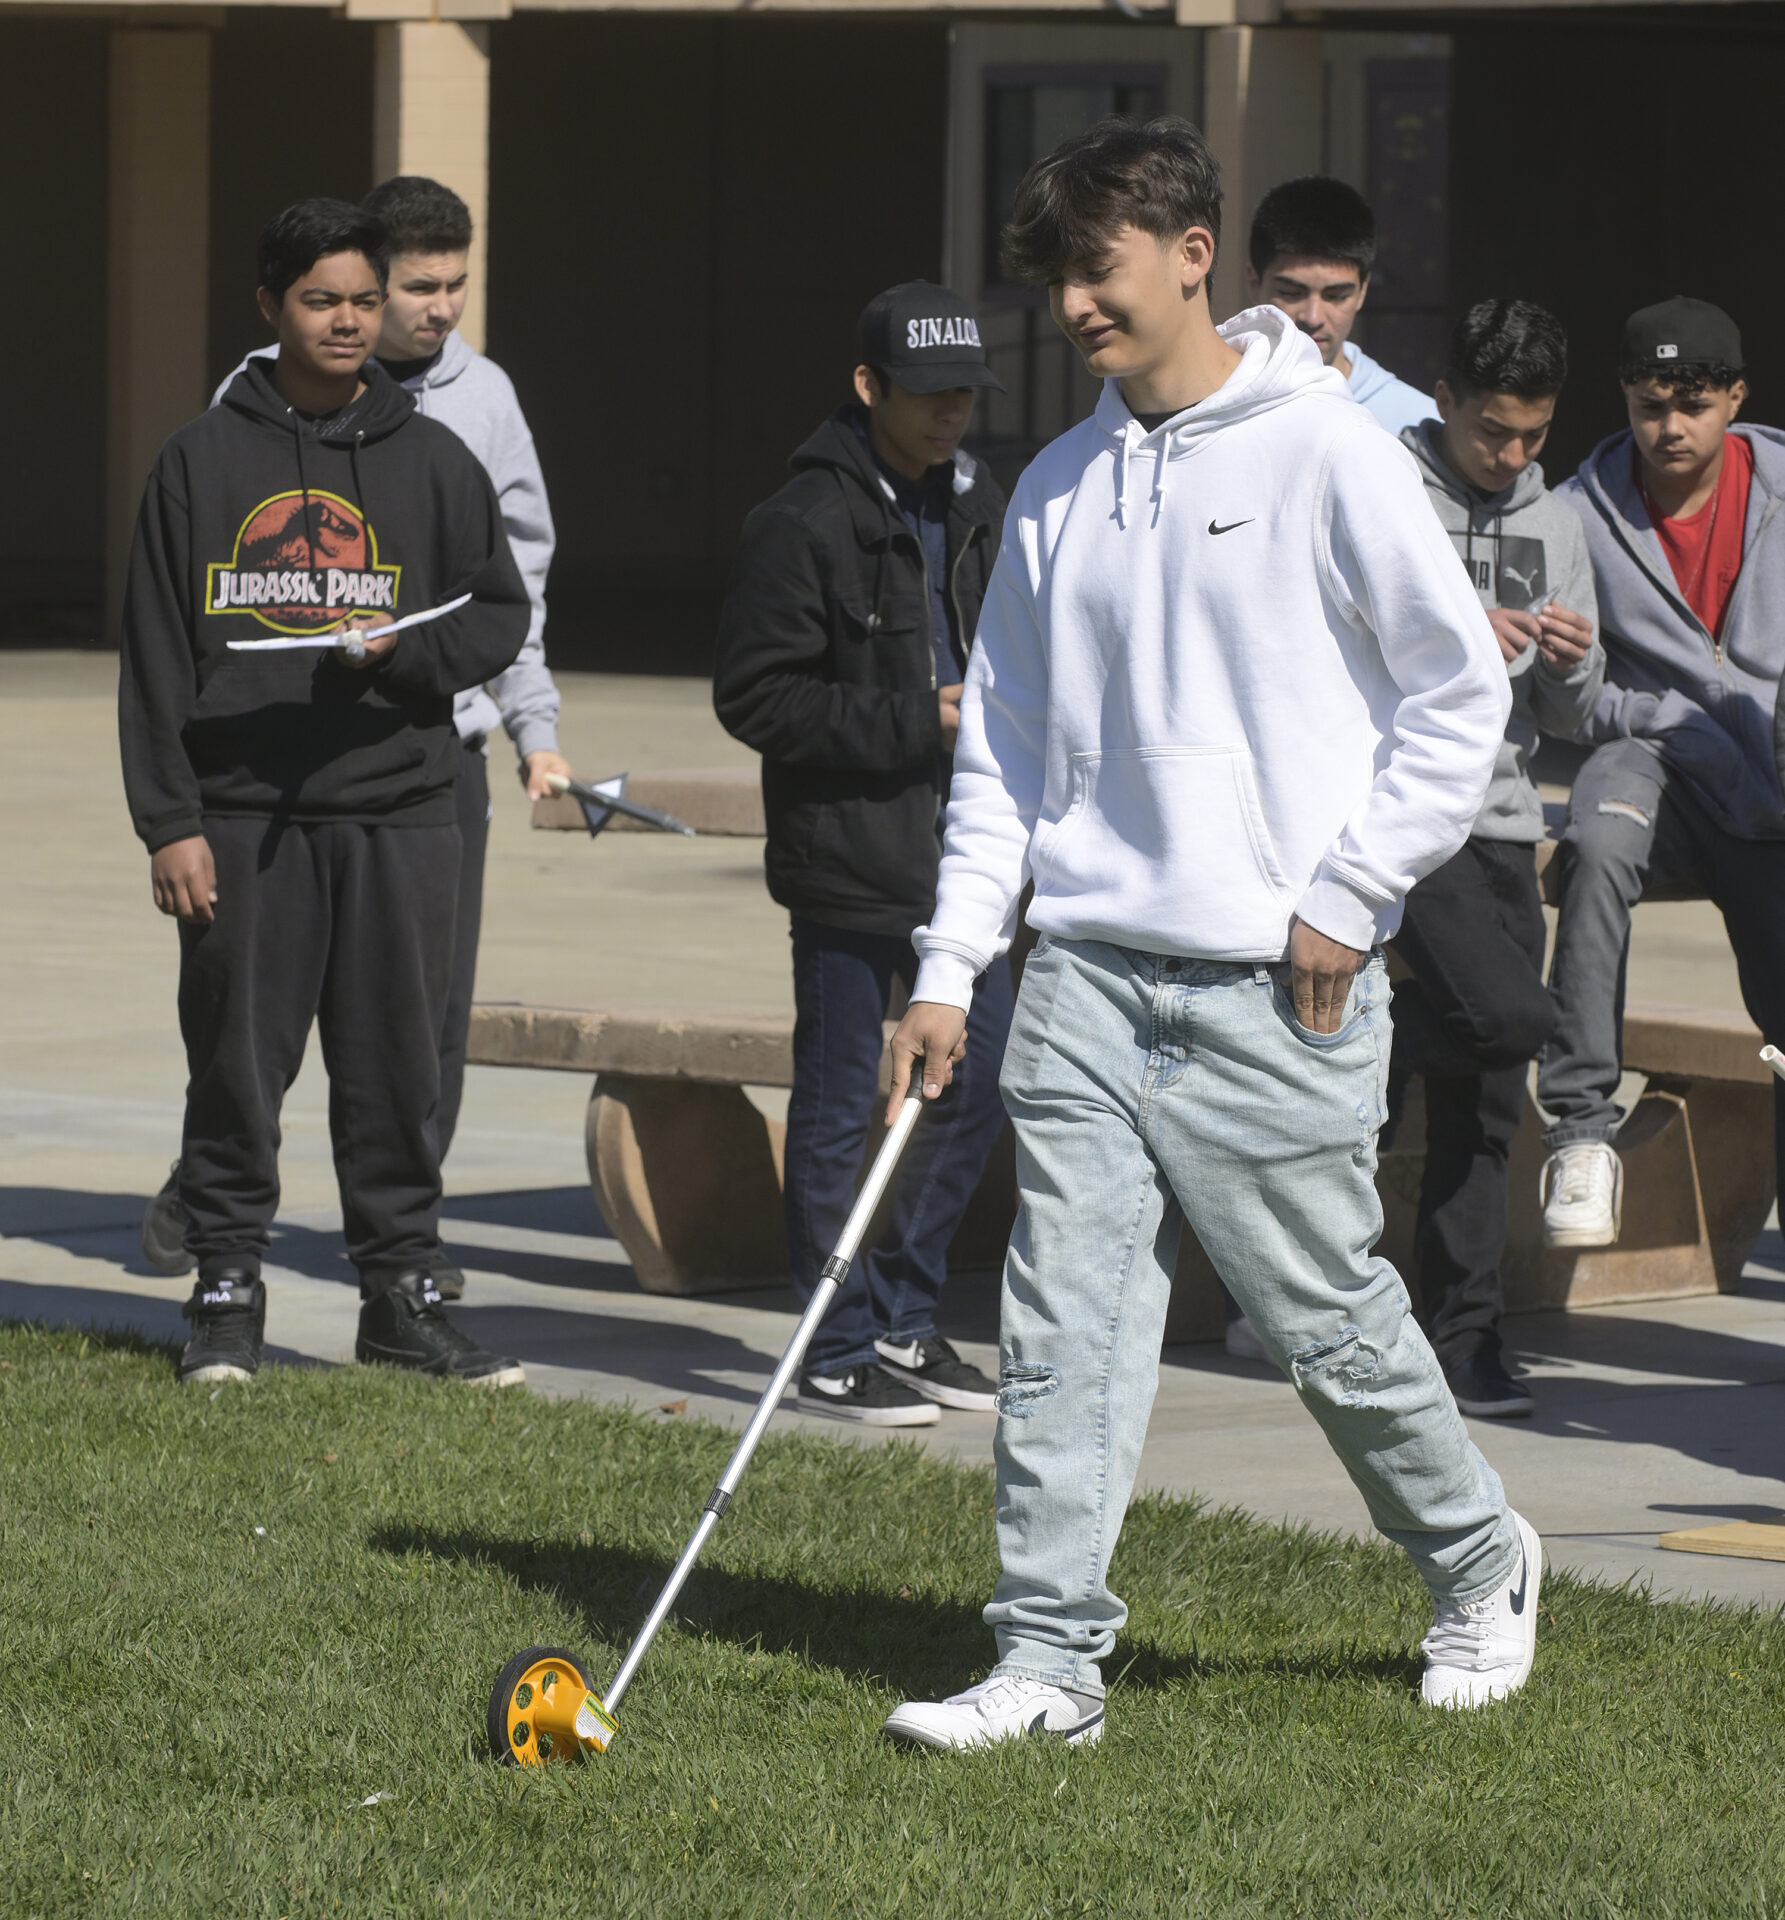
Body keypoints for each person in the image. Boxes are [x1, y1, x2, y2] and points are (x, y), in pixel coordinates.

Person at [877, 116, 1539, 1751]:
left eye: (1094, 272)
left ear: (1189, 256)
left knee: (1327, 1327)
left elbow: (1459, 698)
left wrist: (1347, 894)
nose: (1073, 308)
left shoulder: (1332, 454)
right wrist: (950, 965)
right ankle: (1048, 1662)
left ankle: (1478, 1558)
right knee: (1061, 1331)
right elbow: (1005, 754)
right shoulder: (1057, 484)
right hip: (1086, 979)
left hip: (1277, 985)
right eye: (1055, 282)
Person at [119, 198, 530, 1388]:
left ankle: (400, 1295)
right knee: (237, 1065)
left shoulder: (433, 458)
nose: (347, 322)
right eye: (320, 301)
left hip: (402, 808)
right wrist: (171, 822)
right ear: (270, 305)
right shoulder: (200, 460)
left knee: (398, 1067)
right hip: (244, 814)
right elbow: (154, 657)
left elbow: (497, 613)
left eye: (362, 300)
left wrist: (404, 656)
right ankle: (226, 1289)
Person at [713, 282, 1010, 1426]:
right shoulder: (801, 519)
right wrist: (916, 720)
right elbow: (755, 696)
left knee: (973, 1089)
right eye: (928, 394)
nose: (950, 415)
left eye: (965, 394)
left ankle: (902, 1316)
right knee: (843, 1107)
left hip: (968, 855)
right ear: (867, 386)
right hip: (850, 858)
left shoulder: (981, 498)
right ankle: (830, 1345)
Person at [1390, 300, 1602, 1417]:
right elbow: (1333, 652)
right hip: (1394, 822)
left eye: (1533, 435)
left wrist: (1566, 661)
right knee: (1503, 1026)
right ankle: (1318, 1309)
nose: (1511, 456)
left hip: (1504, 829)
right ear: (1446, 401)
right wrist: (1459, 634)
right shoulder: (1384, 486)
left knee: (1482, 1103)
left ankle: (1462, 1339)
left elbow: (1572, 713)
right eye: (1491, 432)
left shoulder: (1556, 520)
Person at [1540, 298, 1785, 1245]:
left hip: (1769, 785)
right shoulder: (1574, 516)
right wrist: (1652, 714)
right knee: (1598, 840)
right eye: (1649, 406)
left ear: (1735, 397)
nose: (1669, 427)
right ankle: (1579, 1135)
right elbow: (1569, 702)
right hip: (1654, 764)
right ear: (1624, 397)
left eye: (1692, 405)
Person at [1246, 174, 1434, 436]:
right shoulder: (1211, 399)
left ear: (1362, 291)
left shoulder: (1417, 427)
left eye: (1335, 296)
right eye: (1291, 293)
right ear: (1254, 283)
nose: (1313, 317)